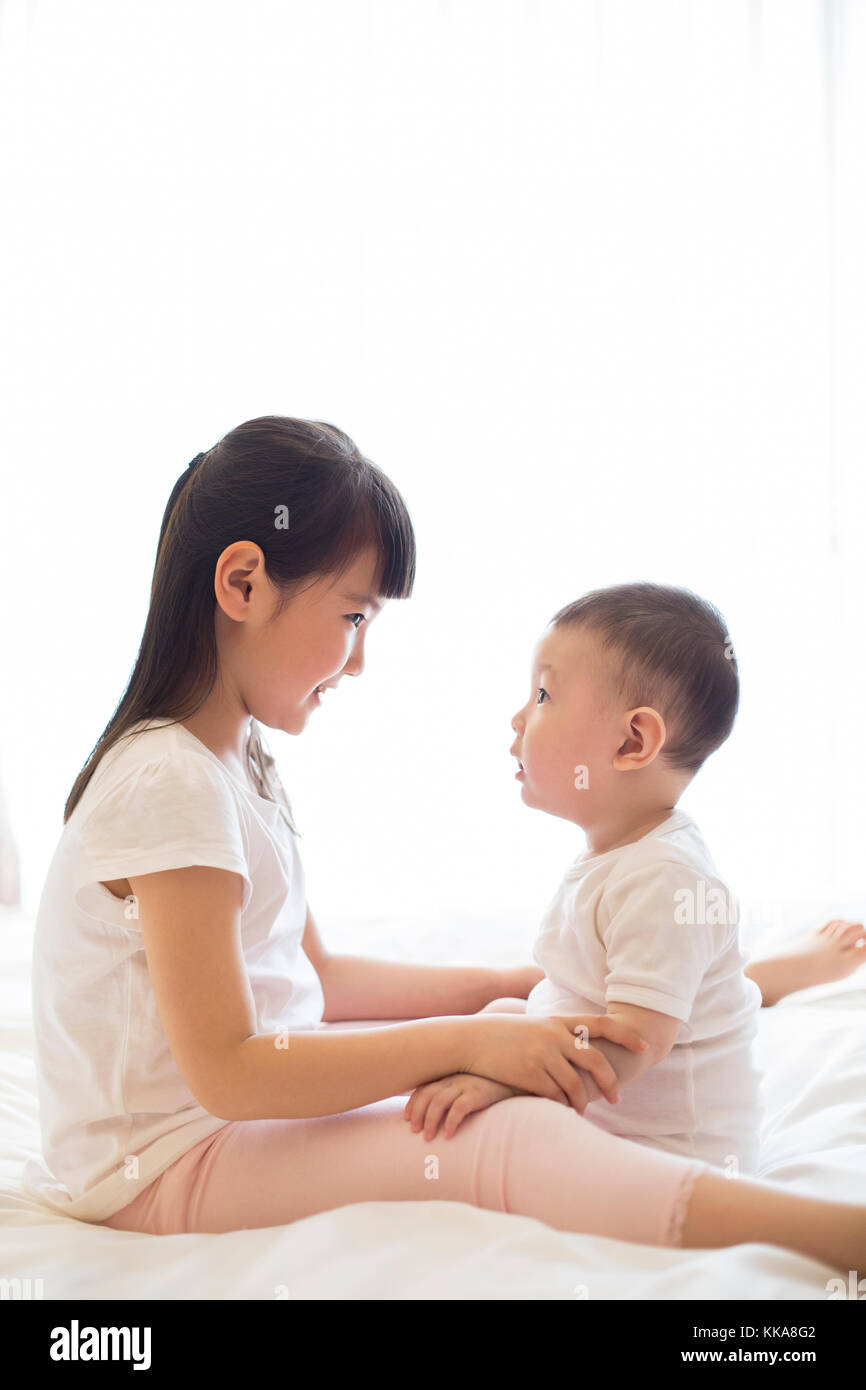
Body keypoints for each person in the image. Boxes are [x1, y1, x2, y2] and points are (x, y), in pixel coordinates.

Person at [23, 416, 866, 1271]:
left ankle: (740, 988)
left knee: (521, 1020)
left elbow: (321, 978)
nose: (357, 662)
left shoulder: (234, 761)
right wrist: (467, 1043)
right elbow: (228, 1072)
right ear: (242, 583)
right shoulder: (169, 781)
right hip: (166, 1164)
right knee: (500, 1131)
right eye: (353, 616)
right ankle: (829, 1234)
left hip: (231, 1120)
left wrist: (504, 993)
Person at [403, 584, 866, 1176]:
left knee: (485, 1113)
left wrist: (508, 1083)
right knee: (498, 1013)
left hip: (671, 1156)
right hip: (604, 1109)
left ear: (632, 741)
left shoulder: (664, 879)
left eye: (543, 694)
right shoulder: (624, 855)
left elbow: (631, 1044)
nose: (518, 716)